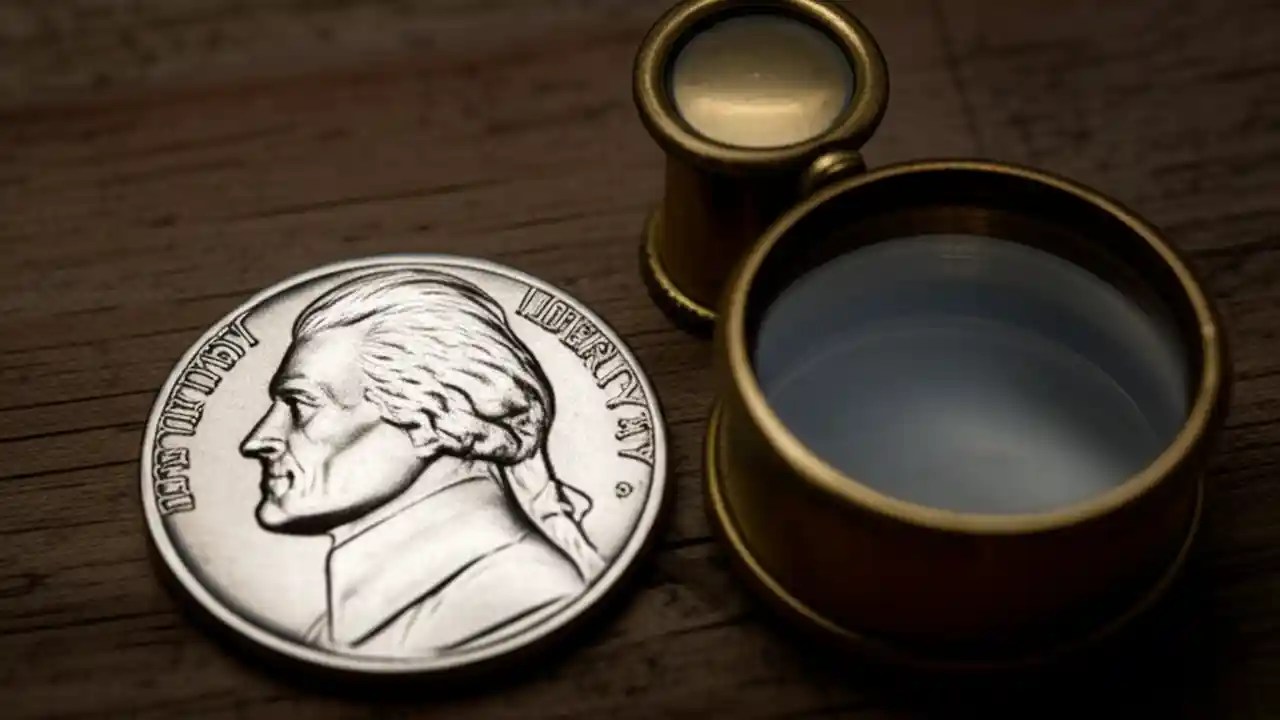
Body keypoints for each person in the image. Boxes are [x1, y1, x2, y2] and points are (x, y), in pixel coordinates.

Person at [239, 268, 603, 655]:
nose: (257, 441)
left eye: (300, 405)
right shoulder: (346, 624)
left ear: (437, 416)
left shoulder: (521, 598)